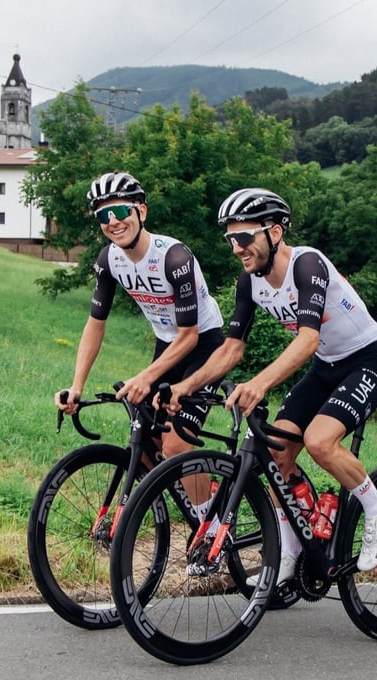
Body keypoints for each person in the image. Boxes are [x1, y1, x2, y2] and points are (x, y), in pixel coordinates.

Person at [164, 188, 377, 583]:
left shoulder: (307, 266)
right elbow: (231, 349)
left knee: (321, 441)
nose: (237, 248)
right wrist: (185, 386)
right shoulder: (250, 281)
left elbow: (307, 339)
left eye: (244, 237)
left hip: (365, 360)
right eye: (230, 239)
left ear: (273, 232)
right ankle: (289, 554)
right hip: (327, 366)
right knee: (277, 455)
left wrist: (260, 383)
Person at [55, 171, 224, 512]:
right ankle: (173, 511)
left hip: (204, 346)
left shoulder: (174, 259)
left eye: (121, 212)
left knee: (176, 444)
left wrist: (146, 377)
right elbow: (95, 325)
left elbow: (189, 336)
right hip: (167, 346)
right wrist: (76, 386)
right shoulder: (109, 260)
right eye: (104, 215)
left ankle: (212, 526)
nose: (114, 222)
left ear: (141, 212)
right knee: (145, 440)